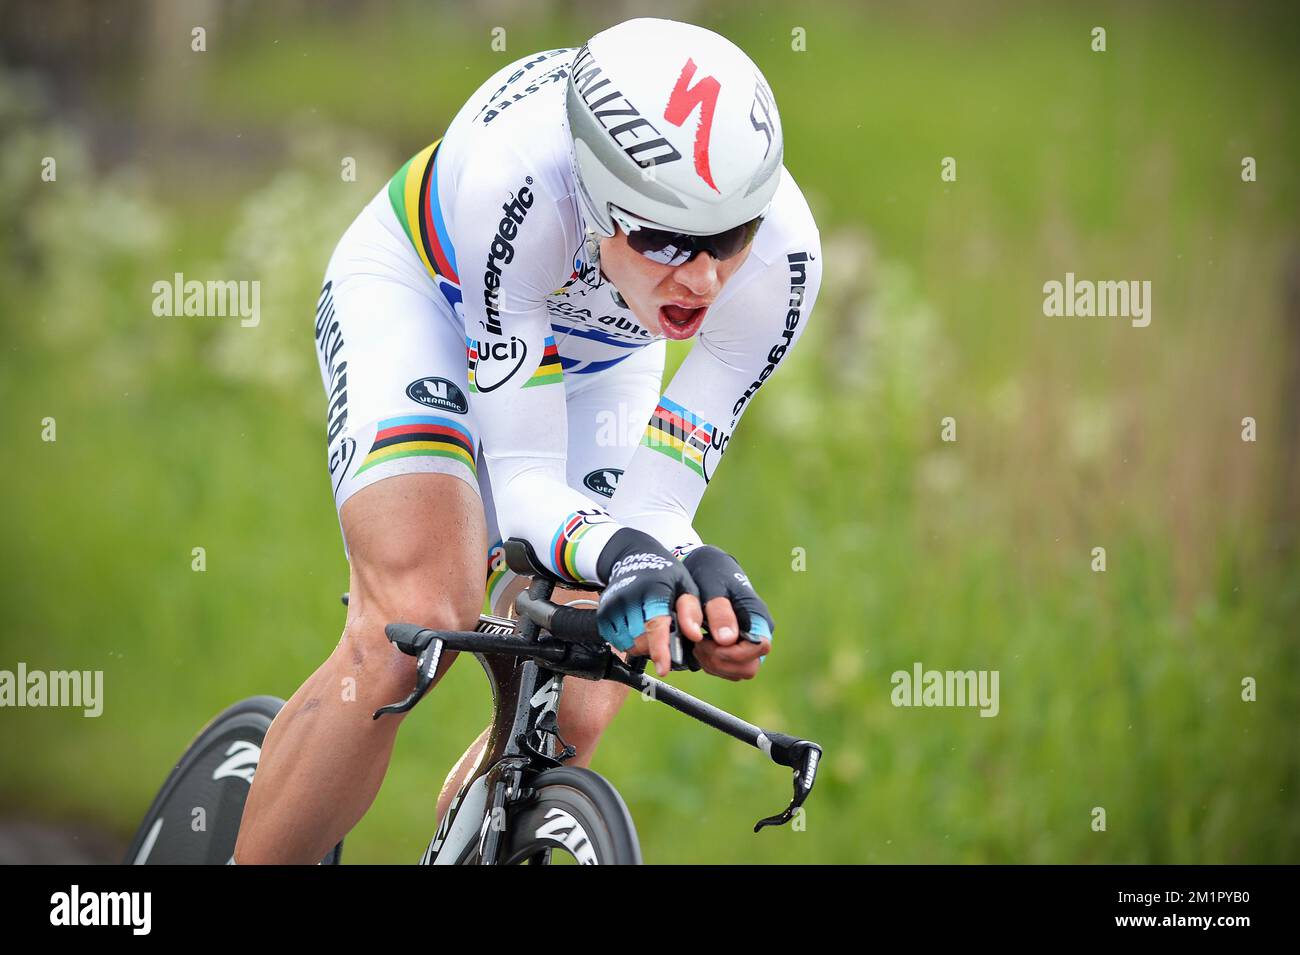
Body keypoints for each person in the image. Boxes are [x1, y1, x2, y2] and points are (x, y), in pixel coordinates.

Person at [235, 16, 822, 864]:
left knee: (586, 685)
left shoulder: (782, 264)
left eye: (727, 240)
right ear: (596, 193)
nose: (702, 279)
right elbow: (525, 484)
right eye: (663, 239)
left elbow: (657, 504)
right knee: (417, 618)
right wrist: (618, 545)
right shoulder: (518, 179)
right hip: (424, 297)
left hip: (600, 357)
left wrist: (695, 576)